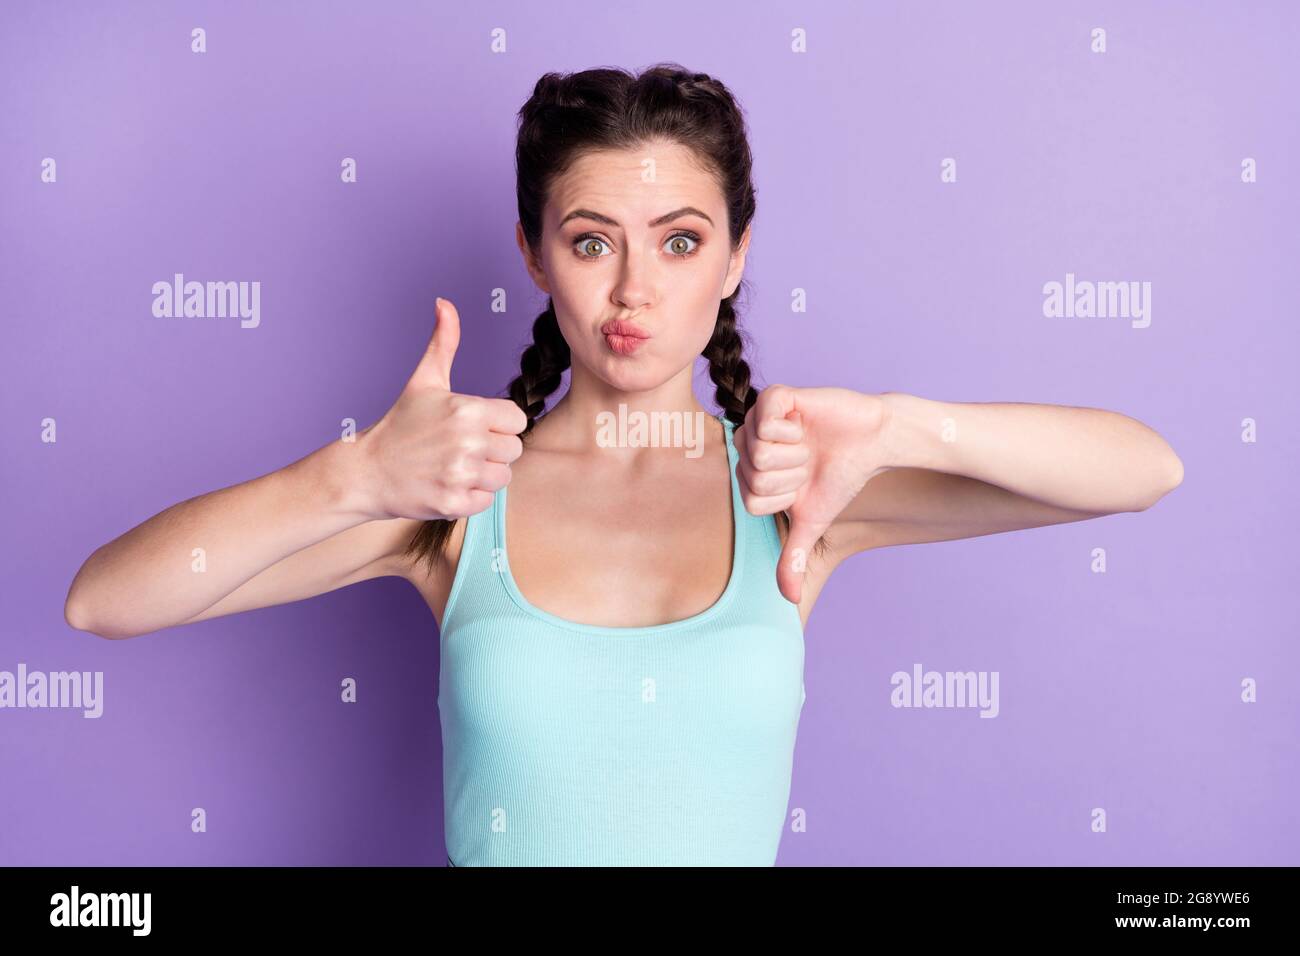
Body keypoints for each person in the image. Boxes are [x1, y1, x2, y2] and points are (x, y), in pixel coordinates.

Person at [65, 63, 1184, 866]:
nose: (635, 290)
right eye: (593, 240)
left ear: (737, 256)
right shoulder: (454, 498)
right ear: (535, 252)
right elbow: (102, 602)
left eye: (681, 240)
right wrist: (348, 478)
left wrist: (901, 424)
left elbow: (1143, 468)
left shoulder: (799, 493)